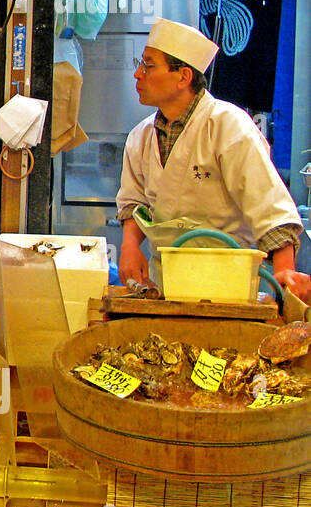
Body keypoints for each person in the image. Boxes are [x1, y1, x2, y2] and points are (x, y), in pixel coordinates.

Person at [116, 18, 311, 299]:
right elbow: (134, 203)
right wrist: (130, 247)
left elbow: (269, 207)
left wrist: (285, 271)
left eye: (148, 65)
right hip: (165, 284)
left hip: (227, 282)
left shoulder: (228, 125)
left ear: (183, 77)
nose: (137, 74)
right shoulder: (140, 135)